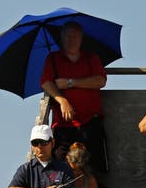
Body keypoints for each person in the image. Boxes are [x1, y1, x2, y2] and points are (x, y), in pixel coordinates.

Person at [40, 21, 108, 172]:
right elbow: (46, 83)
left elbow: (100, 81)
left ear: (81, 38)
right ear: (62, 38)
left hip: (90, 121)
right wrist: (62, 100)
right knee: (61, 167)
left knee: (94, 168)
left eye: (75, 36)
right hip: (64, 124)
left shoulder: (92, 58)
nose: (72, 40)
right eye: (68, 36)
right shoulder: (53, 59)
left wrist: (71, 83)